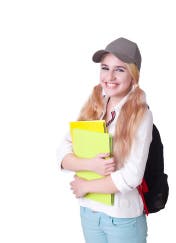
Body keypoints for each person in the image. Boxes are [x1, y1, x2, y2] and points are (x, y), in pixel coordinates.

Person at [58, 37, 152, 243]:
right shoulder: (94, 102)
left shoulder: (141, 113)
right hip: (89, 212)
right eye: (105, 68)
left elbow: (132, 176)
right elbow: (63, 151)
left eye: (119, 69)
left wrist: (86, 187)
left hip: (122, 218)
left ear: (133, 75)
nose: (109, 76)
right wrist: (90, 165)